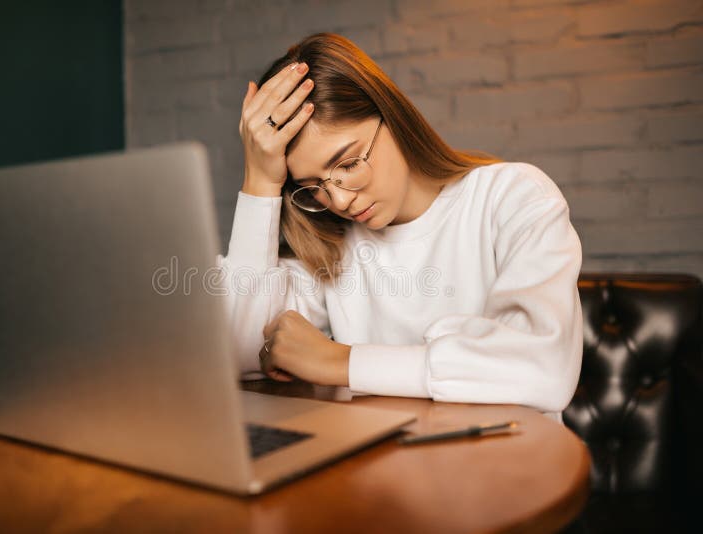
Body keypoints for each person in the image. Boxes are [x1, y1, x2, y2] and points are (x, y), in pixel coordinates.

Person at [215, 33, 583, 423]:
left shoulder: (513, 197)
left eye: (349, 164)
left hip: (508, 469)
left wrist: (342, 362)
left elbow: (543, 371)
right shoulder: (332, 243)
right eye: (313, 187)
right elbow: (241, 357)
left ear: (391, 116)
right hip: (378, 474)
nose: (338, 201)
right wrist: (260, 181)